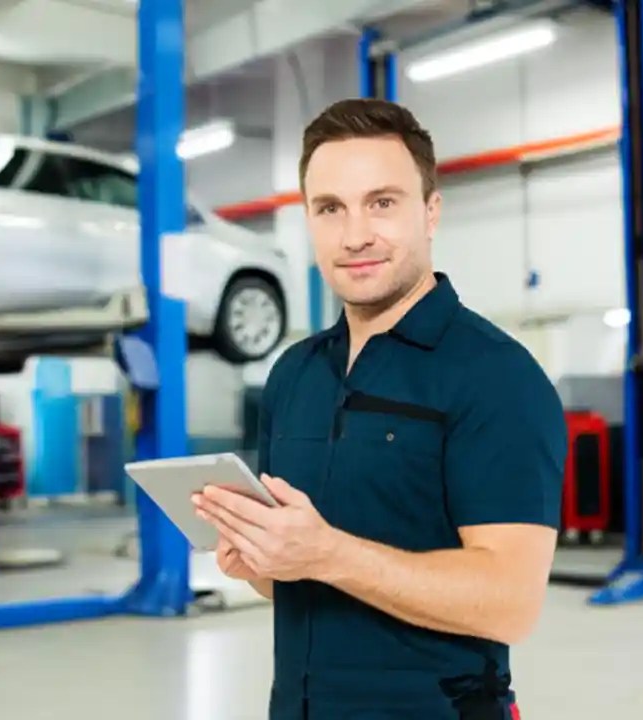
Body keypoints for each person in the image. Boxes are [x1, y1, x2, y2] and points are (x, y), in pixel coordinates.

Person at [192, 98, 567, 720]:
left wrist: (327, 552)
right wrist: (260, 559)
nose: (355, 233)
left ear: (431, 212)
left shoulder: (496, 377)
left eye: (382, 203)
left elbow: (512, 602)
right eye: (330, 208)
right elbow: (301, 579)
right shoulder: (294, 375)